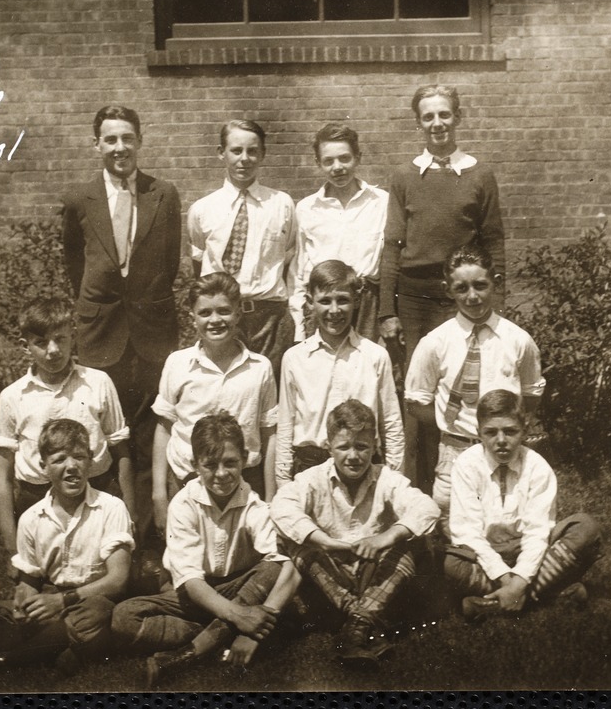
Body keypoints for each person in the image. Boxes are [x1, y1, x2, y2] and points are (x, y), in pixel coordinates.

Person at [111, 411, 300, 688]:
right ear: (195, 464)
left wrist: (251, 634)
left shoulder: (254, 505)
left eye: (230, 463)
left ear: (245, 460)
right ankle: (224, 633)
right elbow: (190, 582)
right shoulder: (183, 505)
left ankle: (187, 654)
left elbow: (288, 568)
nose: (221, 474)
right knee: (123, 617)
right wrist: (240, 617)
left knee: (274, 567)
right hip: (194, 594)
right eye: (210, 465)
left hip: (239, 588)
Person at [62, 105, 182, 536]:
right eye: (110, 139)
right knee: (103, 431)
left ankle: (149, 534)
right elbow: (75, 264)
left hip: (152, 332)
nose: (119, 148)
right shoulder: (80, 198)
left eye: (127, 138)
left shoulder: (163, 194)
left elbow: (168, 262)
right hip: (102, 332)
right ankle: (105, 532)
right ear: (97, 144)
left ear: (139, 141)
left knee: (150, 430)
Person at [379, 85, 506, 490]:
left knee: (467, 389)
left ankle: (471, 484)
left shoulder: (479, 174)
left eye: (445, 115)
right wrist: (387, 311)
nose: (438, 123)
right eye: (429, 116)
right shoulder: (404, 176)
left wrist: (494, 304)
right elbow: (391, 245)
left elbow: (494, 242)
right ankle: (414, 492)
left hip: (463, 300)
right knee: (417, 397)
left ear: (458, 118)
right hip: (414, 299)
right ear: (419, 122)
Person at [0, 418, 135, 675]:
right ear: (44, 466)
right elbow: (30, 580)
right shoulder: (31, 518)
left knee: (95, 615)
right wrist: (24, 602)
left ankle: (2, 661)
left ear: (90, 460)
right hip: (55, 603)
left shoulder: (111, 507)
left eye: (79, 457)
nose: (71, 467)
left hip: (94, 600)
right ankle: (52, 646)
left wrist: (61, 601)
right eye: (59, 460)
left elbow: (118, 581)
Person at [270, 399, 438, 664]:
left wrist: (386, 536)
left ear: (375, 446)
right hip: (331, 572)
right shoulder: (312, 478)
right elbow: (281, 507)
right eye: (343, 446)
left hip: (374, 571)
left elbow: (426, 507)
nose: (353, 456)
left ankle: (354, 625)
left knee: (416, 539)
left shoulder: (386, 477)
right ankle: (364, 619)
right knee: (294, 540)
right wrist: (324, 541)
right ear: (328, 446)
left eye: (362, 447)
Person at [405, 247, 545, 523]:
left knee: (505, 523)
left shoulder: (518, 340)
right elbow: (416, 401)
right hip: (454, 452)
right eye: (462, 288)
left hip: (505, 449)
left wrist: (500, 430)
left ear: (496, 281)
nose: (472, 296)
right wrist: (455, 426)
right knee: (451, 526)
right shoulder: (435, 342)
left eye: (481, 285)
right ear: (448, 290)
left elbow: (530, 395)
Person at [442, 389, 602, 621]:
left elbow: (537, 532)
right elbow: (468, 533)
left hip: (530, 549)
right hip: (486, 553)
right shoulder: (466, 465)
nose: (501, 441)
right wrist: (508, 580)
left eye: (510, 431)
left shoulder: (537, 467)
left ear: (524, 431)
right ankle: (545, 595)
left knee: (585, 529)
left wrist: (519, 582)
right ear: (478, 433)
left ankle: (495, 603)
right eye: (490, 432)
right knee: (448, 562)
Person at [0, 297, 132, 559]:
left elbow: (121, 451)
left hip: (97, 490)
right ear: (25, 346)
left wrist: (129, 516)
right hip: (37, 498)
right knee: (43, 582)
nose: (53, 350)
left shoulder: (98, 383)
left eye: (60, 338)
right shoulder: (13, 397)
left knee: (105, 576)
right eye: (41, 342)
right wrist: (13, 548)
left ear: (73, 337)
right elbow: (3, 475)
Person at [151, 272, 277, 532]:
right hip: (186, 479)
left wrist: (271, 497)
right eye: (205, 313)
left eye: (224, 311)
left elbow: (269, 433)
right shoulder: (177, 363)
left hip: (243, 481)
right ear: (193, 318)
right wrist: (159, 496)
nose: (215, 320)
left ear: (238, 314)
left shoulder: (260, 368)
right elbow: (164, 428)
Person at [271, 260, 404, 496]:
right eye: (324, 301)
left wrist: (394, 480)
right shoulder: (294, 358)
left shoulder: (374, 356)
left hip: (362, 464)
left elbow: (391, 424)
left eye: (342, 300)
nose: (334, 311)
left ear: (356, 301)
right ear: (310, 303)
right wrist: (283, 483)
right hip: (310, 466)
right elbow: (285, 425)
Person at [188, 119, 296, 376]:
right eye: (236, 150)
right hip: (222, 317)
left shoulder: (282, 204)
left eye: (252, 151)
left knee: (271, 391)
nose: (244, 159)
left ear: (262, 155)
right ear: (221, 153)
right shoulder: (203, 209)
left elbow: (289, 259)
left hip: (270, 318)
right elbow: (199, 264)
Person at [288, 122, 389, 342]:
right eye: (328, 161)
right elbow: (299, 269)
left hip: (366, 305)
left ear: (358, 157)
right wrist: (298, 322)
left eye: (344, 158)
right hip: (324, 302)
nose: (338, 167)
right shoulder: (307, 208)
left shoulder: (381, 202)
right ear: (318, 163)